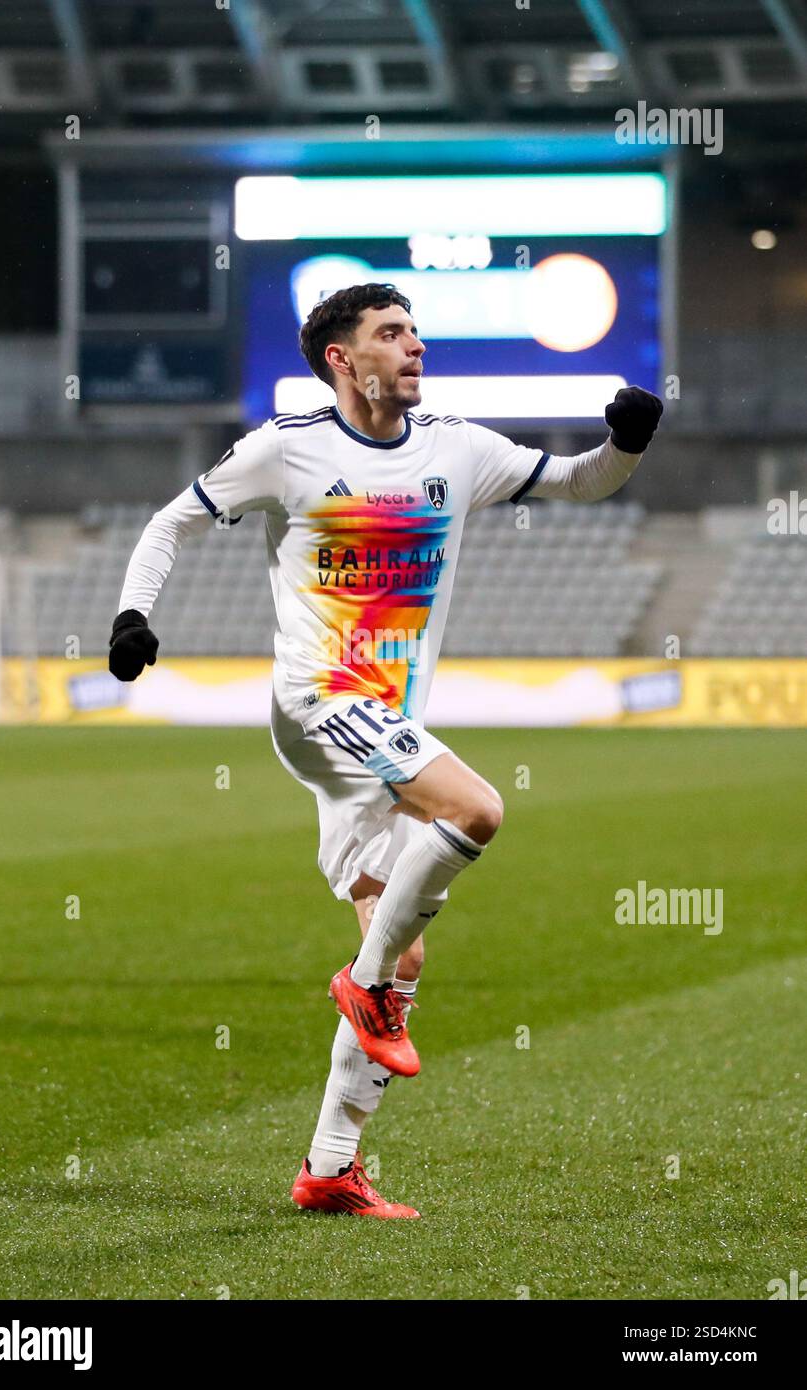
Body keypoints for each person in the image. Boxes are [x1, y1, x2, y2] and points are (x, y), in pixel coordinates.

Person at [109, 282, 662, 1219]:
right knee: (477, 808)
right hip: (319, 702)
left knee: (401, 960)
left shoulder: (457, 446)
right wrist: (130, 616)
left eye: (415, 332)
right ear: (342, 358)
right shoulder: (289, 450)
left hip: (382, 724)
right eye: (391, 333)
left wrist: (628, 443)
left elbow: (577, 481)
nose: (414, 347)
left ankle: (330, 1165)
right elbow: (172, 522)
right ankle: (359, 990)